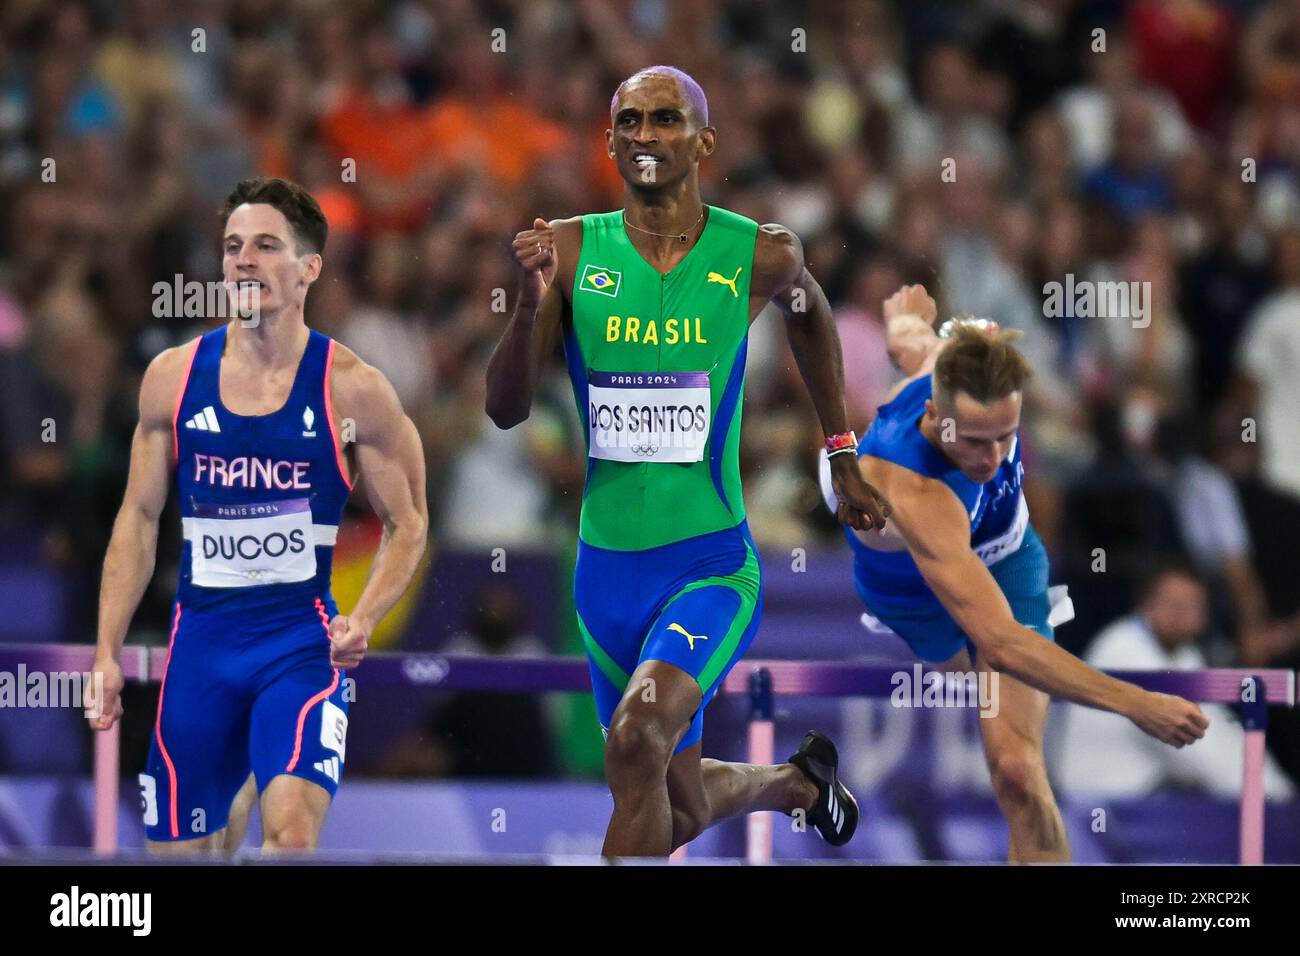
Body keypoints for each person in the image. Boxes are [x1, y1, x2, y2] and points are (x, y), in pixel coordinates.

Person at [485, 66, 891, 857]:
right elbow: (506, 409)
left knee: (635, 739)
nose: (645, 135)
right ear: (607, 140)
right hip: (603, 573)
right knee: (673, 799)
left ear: (704, 141)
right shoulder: (568, 251)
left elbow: (811, 319)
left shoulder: (760, 253)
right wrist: (530, 305)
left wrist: (841, 451)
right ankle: (792, 784)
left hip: (707, 563)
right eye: (629, 120)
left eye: (665, 119)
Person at [87, 177, 428, 854]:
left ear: (309, 269)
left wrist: (364, 617)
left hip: (299, 646)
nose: (244, 260)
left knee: (292, 839)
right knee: (181, 856)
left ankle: (258, 781)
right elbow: (138, 519)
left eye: (266, 246)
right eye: (233, 246)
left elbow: (408, 522)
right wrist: (105, 653)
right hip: (201, 649)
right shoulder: (173, 378)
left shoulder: (353, 387)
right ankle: (236, 787)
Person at [818, 283, 1209, 862]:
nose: (993, 458)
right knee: (985, 656)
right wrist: (1137, 702)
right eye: (974, 441)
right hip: (917, 597)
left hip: (1008, 560)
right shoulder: (912, 487)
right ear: (933, 412)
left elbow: (915, 339)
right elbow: (999, 645)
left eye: (1006, 436)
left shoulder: (963, 366)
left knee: (1019, 775)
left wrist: (908, 316)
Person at [1057, 563, 1293, 800]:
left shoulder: (1185, 654)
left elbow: (1220, 729)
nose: (1182, 613)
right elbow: (1195, 750)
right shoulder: (1123, 648)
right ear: (1146, 605)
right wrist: (1267, 798)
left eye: (1192, 605)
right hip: (1100, 800)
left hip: (1145, 792)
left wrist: (1279, 790)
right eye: (1173, 603)